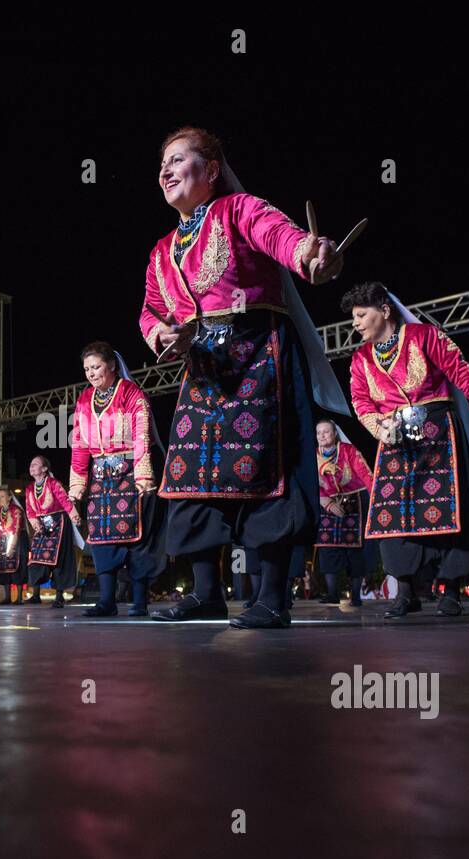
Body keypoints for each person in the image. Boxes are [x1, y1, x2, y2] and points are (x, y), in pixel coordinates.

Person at [139, 126, 349, 629]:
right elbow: (150, 310)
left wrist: (311, 256)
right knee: (192, 478)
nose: (165, 170)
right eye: (161, 163)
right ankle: (207, 593)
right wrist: (162, 333)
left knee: (263, 472)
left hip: (258, 352)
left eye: (178, 159)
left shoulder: (241, 210)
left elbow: (282, 236)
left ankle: (273, 598)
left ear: (211, 170)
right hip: (203, 369)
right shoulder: (161, 250)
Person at [342, 282, 469, 619]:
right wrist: (381, 428)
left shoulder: (426, 337)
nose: (356, 323)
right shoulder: (360, 359)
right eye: (354, 318)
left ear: (385, 310)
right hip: (394, 439)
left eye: (362, 315)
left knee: (448, 510)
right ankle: (406, 593)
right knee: (393, 514)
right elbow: (361, 404)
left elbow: (464, 375)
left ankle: (451, 590)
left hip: (438, 433)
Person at [68, 341, 166, 617]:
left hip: (129, 473)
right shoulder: (84, 399)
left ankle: (139, 601)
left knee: (137, 537)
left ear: (111, 366)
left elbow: (142, 433)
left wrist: (144, 474)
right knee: (100, 539)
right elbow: (79, 443)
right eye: (87, 368)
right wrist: (76, 487)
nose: (91, 373)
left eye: (96, 366)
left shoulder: (130, 392)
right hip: (100, 479)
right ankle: (106, 601)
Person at [313, 419, 376, 607]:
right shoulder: (313, 456)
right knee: (326, 547)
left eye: (326, 432)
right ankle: (332, 593)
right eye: (319, 432)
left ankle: (355, 596)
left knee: (355, 548)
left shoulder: (349, 451)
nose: (322, 436)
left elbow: (365, 475)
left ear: (334, 434)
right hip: (327, 503)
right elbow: (311, 483)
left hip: (354, 502)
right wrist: (327, 503)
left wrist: (376, 498)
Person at [25, 455, 81, 609]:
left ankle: (59, 597)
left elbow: (65, 500)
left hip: (59, 521)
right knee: (36, 556)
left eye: (35, 464)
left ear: (44, 469)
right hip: (42, 524)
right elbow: (30, 511)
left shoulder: (53, 483)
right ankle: (36, 594)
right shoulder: (29, 488)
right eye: (31, 464)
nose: (31, 466)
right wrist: (36, 525)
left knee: (58, 559)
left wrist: (74, 516)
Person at [0, 487, 27, 604]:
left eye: (3, 496)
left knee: (18, 568)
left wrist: (12, 547)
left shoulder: (17, 510)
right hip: (5, 541)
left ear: (9, 497)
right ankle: (7, 597)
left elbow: (17, 529)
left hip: (18, 540)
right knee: (4, 568)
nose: (0, 499)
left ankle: (19, 598)